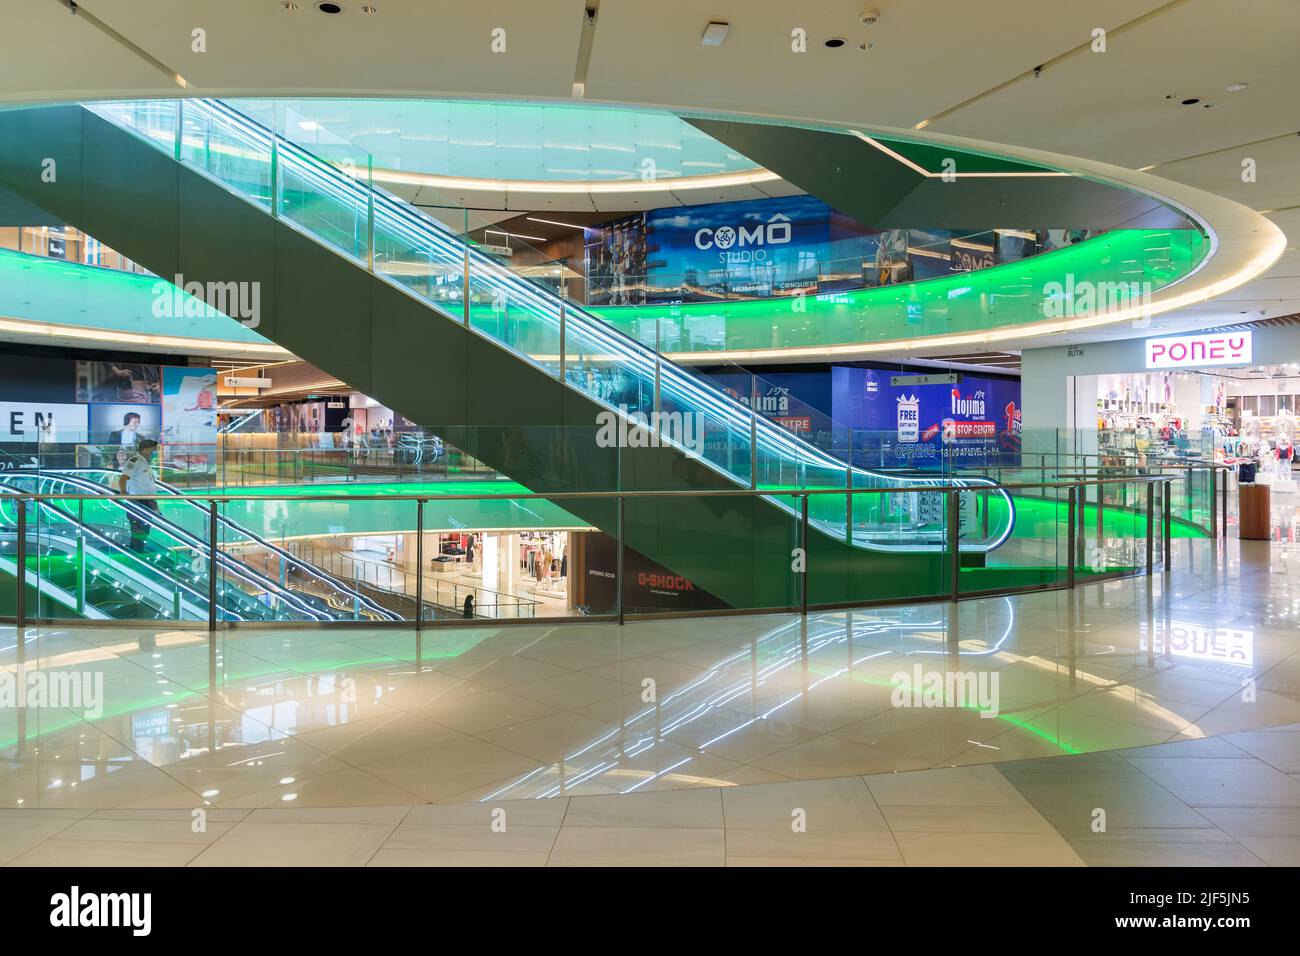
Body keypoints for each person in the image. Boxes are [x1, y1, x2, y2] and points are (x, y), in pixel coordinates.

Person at [117, 438, 160, 553]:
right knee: (138, 528)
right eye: (152, 449)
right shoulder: (134, 461)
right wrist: (123, 492)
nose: (154, 451)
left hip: (148, 501)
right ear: (145, 449)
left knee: (145, 528)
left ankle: (137, 549)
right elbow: (123, 478)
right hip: (137, 501)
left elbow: (148, 484)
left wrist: (154, 503)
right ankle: (137, 551)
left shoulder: (145, 462)